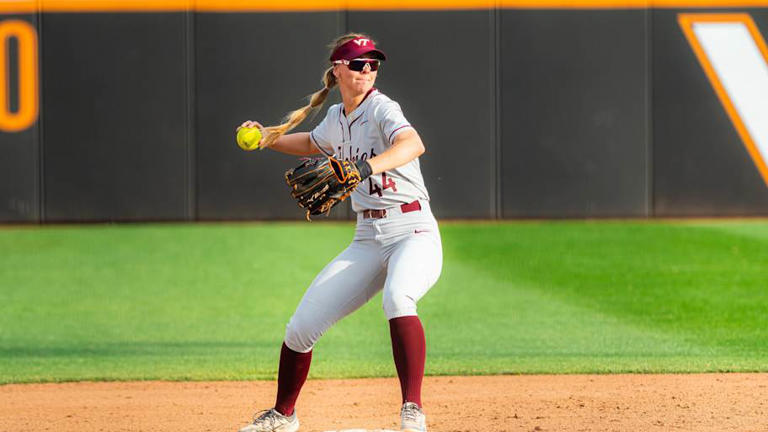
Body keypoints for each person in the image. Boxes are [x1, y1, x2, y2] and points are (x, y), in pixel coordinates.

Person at [236, 33, 442, 432]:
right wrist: (267, 137)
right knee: (300, 327)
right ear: (339, 69)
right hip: (367, 238)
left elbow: (413, 143)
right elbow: (312, 143)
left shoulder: (383, 108)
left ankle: (412, 410)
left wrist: (365, 167)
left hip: (413, 230)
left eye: (373, 63)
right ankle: (283, 415)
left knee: (399, 298)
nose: (368, 69)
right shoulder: (336, 118)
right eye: (359, 63)